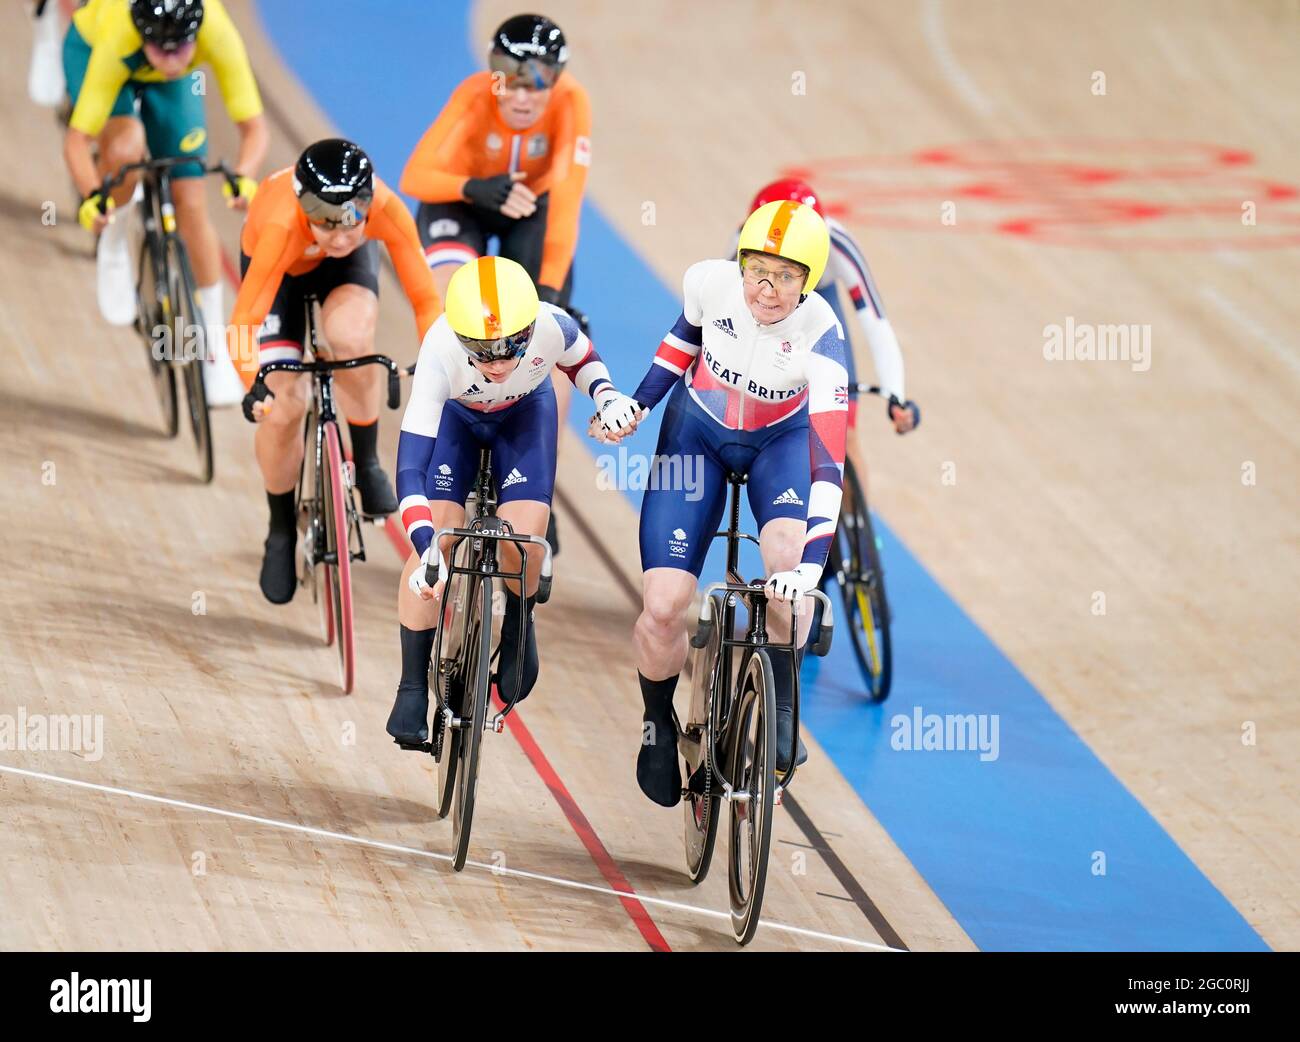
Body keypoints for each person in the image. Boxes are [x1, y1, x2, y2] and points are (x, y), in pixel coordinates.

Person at [628, 200, 848, 807]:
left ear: (809, 283)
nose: (767, 289)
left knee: (785, 565)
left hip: (781, 442)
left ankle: (780, 701)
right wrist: (638, 406)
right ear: (740, 261)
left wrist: (810, 566)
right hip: (695, 436)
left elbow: (828, 464)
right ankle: (656, 722)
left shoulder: (823, 338)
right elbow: (680, 343)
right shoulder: (710, 282)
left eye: (786, 276)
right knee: (666, 604)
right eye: (758, 269)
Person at [386, 256, 639, 745]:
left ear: (530, 329)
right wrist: (425, 548)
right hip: (458, 422)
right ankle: (412, 686)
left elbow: (585, 361)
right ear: (460, 338)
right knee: (435, 543)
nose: (499, 364)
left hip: (524, 417)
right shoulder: (439, 350)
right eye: (484, 352)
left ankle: (520, 624)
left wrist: (607, 397)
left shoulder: (552, 325)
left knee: (523, 540)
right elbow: (410, 471)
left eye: (512, 349)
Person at [400, 13, 593, 553]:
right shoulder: (473, 94)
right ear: (493, 72)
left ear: (557, 79)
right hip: (463, 200)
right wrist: (472, 186)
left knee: (550, 346)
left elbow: (569, 199)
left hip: (529, 209)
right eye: (512, 79)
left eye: (540, 83)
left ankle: (536, 488)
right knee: (450, 307)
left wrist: (550, 296)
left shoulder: (572, 102)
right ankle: (443, 431)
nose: (525, 96)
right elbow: (416, 174)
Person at [233, 139, 442, 604]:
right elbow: (243, 323)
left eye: (352, 216)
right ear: (303, 208)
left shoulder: (381, 210)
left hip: (342, 273)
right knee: (283, 406)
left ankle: (366, 462)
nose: (342, 232)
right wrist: (254, 384)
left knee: (351, 342)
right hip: (281, 272)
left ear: (367, 202)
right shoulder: (281, 226)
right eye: (326, 220)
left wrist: (437, 359)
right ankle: (280, 528)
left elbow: (427, 299)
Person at [63, 0, 268, 406]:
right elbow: (75, 142)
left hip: (170, 89)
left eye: (181, 48)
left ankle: (212, 344)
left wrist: (244, 175)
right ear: (143, 35)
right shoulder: (118, 37)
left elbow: (254, 127)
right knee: (126, 148)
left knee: (191, 203)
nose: (172, 58)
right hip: (96, 56)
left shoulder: (217, 30)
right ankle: (117, 238)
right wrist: (92, 198)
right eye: (162, 48)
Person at [743, 179, 919, 468]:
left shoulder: (838, 245)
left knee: (844, 440)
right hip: (771, 317)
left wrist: (895, 395)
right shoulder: (745, 244)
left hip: (821, 309)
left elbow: (875, 323)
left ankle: (851, 507)